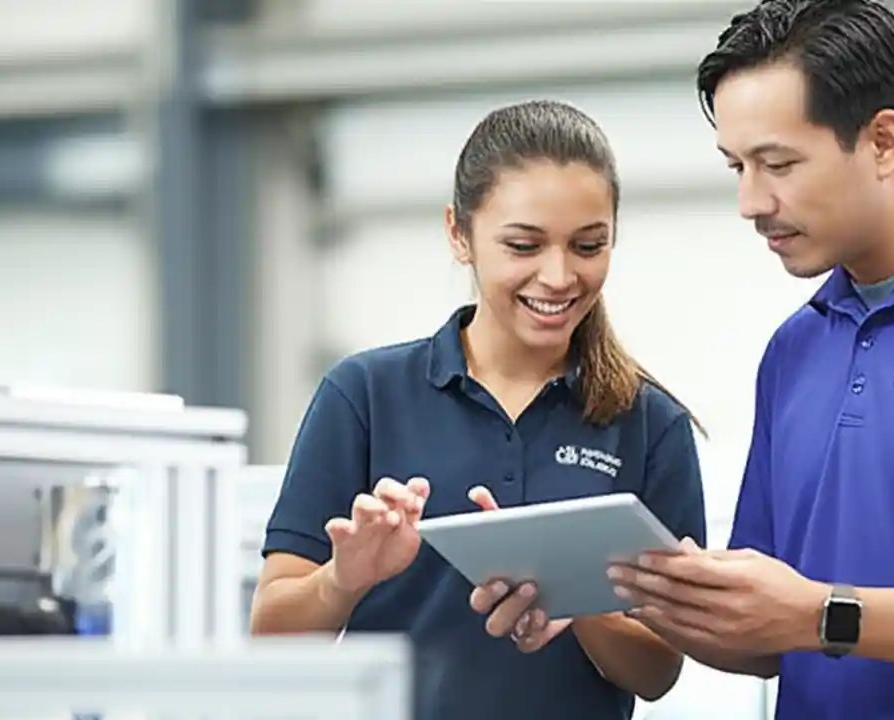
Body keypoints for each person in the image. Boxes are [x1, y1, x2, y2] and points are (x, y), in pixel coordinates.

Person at [605, 1, 894, 718]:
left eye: (778, 164)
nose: (750, 202)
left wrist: (828, 616)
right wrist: (602, 596)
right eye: (737, 166)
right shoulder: (796, 347)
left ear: (884, 139)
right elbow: (767, 636)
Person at [249, 99, 707, 720]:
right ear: (458, 234)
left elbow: (658, 670)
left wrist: (576, 599)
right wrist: (343, 579)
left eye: (589, 245)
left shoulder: (648, 423)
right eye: (523, 245)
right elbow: (271, 639)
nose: (559, 275)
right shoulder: (364, 396)